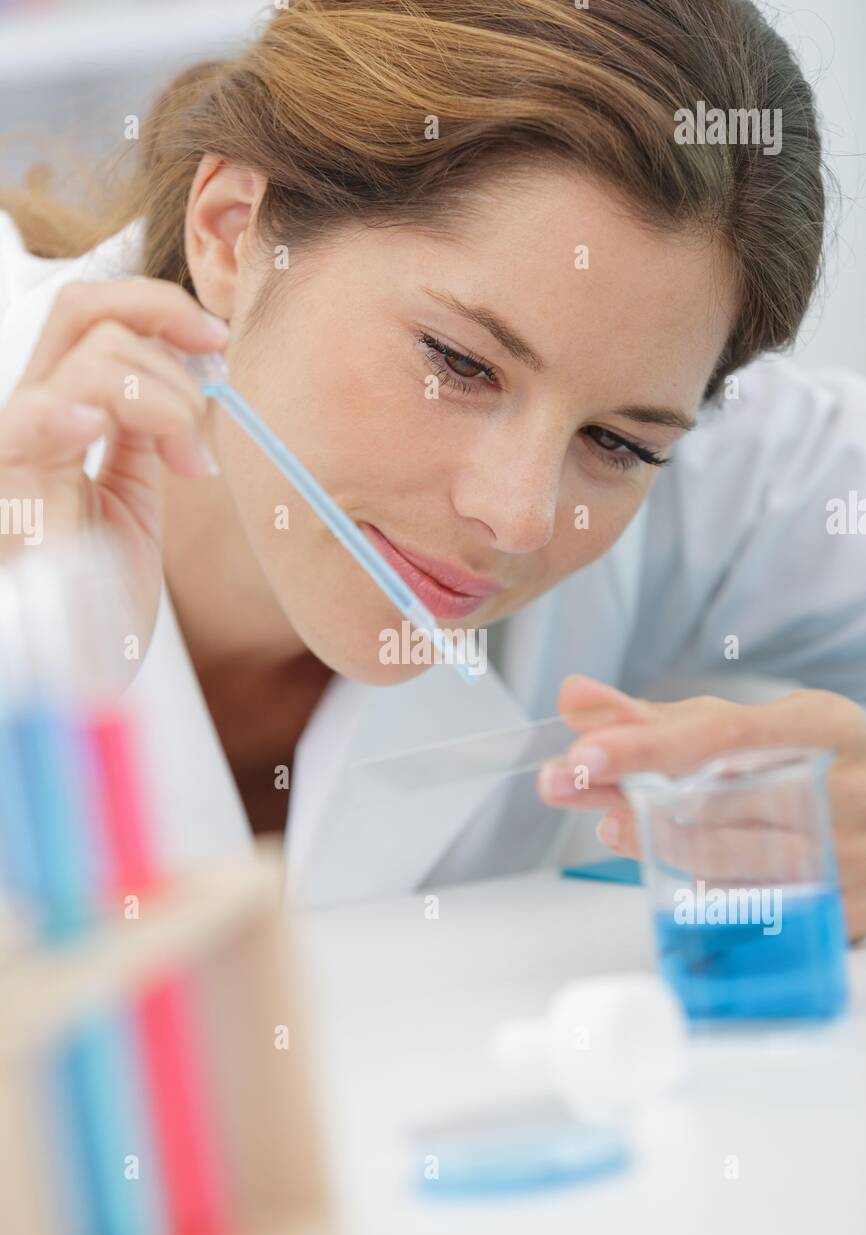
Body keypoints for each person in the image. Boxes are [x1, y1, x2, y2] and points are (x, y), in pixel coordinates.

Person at [0, 0, 864, 928]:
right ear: (232, 230)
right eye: (460, 364)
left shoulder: (690, 480)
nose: (523, 515)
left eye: (618, 443)